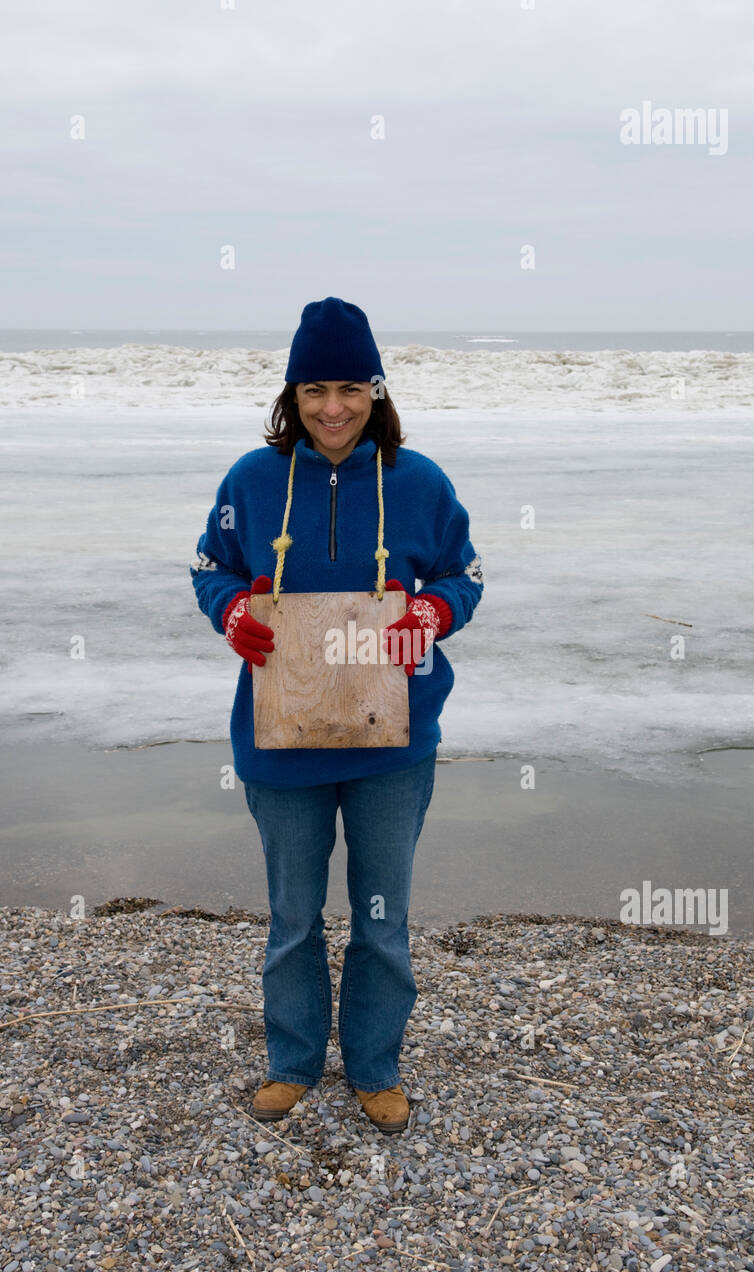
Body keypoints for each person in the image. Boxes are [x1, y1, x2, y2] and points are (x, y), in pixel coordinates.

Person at [191, 297, 483, 1135]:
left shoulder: (419, 481)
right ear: (292, 393)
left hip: (394, 737)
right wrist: (228, 611)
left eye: (349, 387)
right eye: (314, 388)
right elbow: (208, 565)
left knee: (382, 915)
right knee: (292, 915)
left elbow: (466, 573)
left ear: (375, 389)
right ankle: (291, 1062)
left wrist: (435, 614)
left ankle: (375, 1065)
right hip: (281, 739)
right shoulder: (251, 478)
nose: (332, 409)